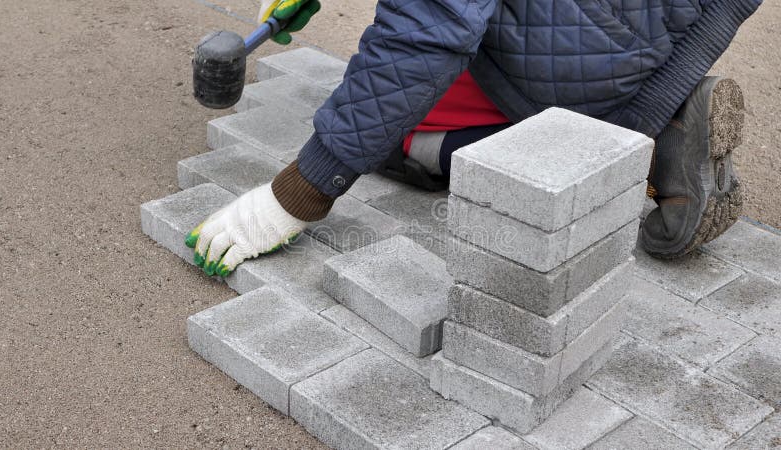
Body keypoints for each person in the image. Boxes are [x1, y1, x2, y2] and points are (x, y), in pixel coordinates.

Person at [184, 0, 762, 277]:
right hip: (655, 33)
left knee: (394, 130)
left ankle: (645, 140)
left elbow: (427, 31)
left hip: (569, 56)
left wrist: (298, 193)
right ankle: (649, 116)